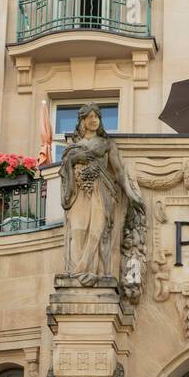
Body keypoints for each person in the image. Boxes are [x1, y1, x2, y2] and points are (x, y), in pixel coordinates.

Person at [59, 103, 143, 284]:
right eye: (89, 117)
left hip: (101, 191)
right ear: (82, 121)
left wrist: (130, 193)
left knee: (98, 231)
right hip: (79, 191)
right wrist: (75, 159)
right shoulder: (74, 147)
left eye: (96, 116)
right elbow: (64, 169)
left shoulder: (107, 144)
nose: (94, 120)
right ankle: (78, 271)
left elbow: (119, 172)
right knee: (78, 230)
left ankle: (91, 272)